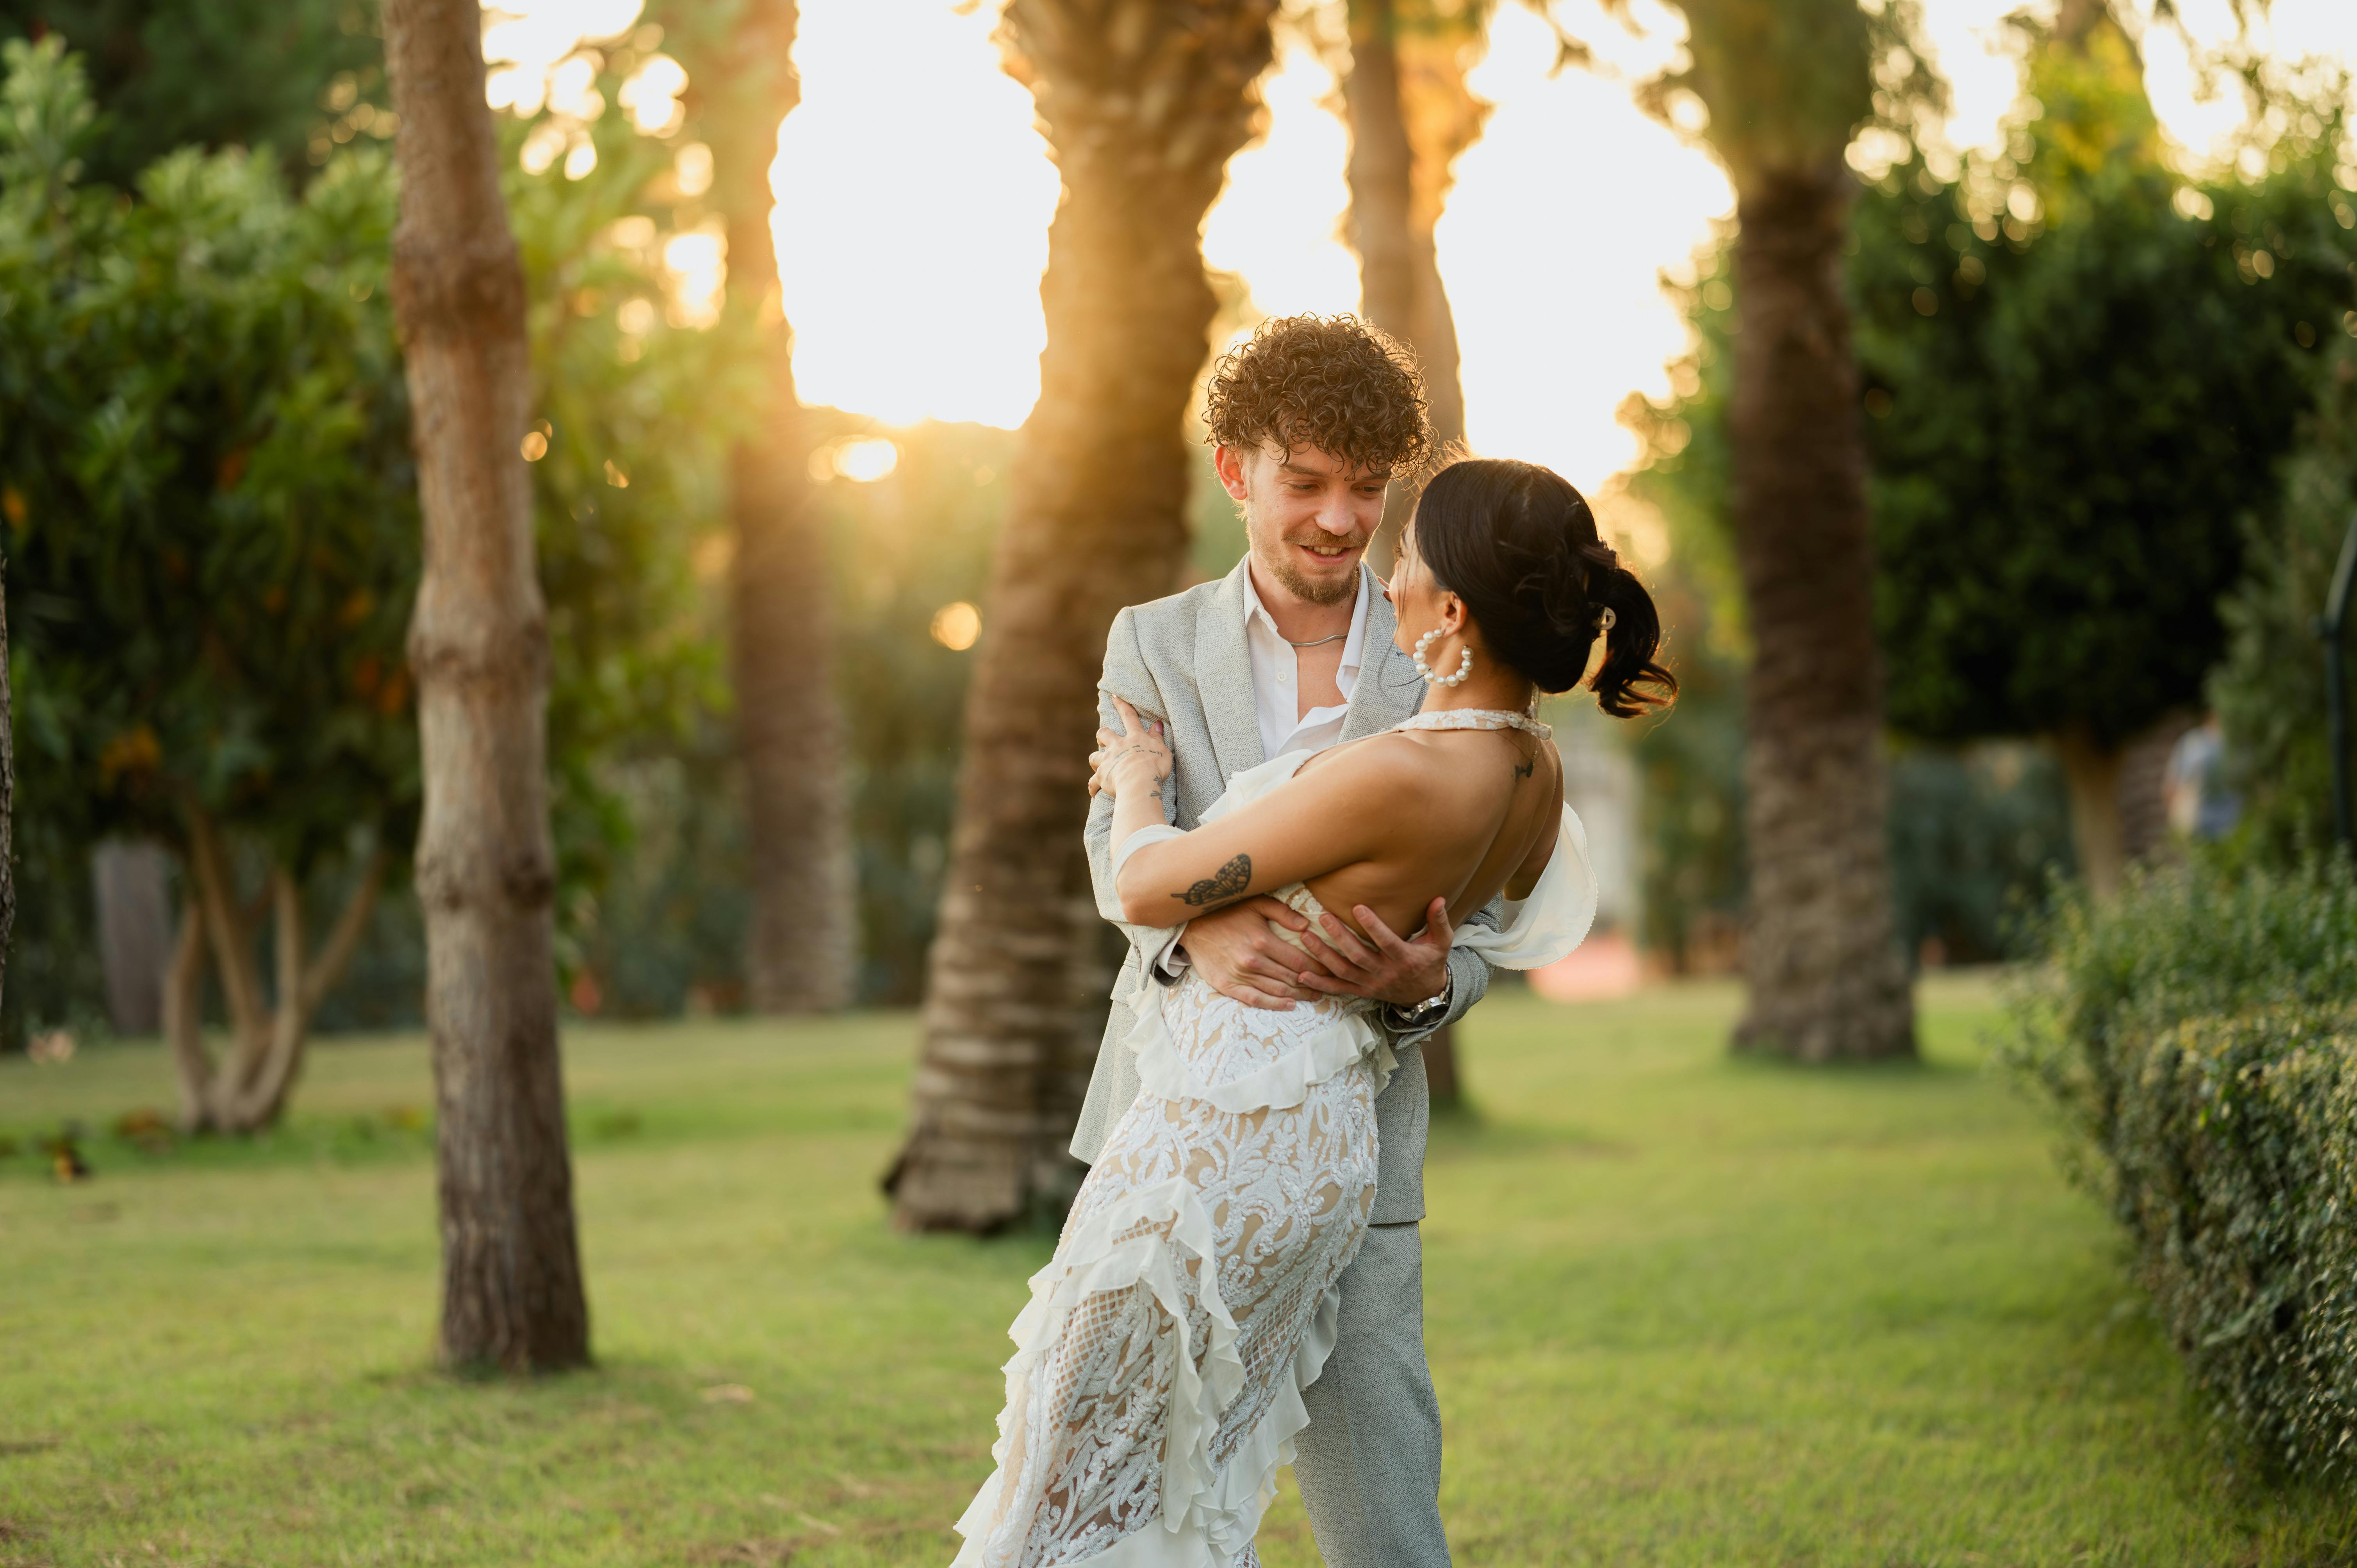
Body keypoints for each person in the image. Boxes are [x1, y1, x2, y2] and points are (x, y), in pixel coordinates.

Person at [947, 450, 1676, 1567]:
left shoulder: (1396, 768)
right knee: (1184, 1492)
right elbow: (1460, 905)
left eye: (1405, 550)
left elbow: (1146, 878)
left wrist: (1135, 777)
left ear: (1454, 611)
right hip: (1312, 1140)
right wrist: (1211, 918)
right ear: (1244, 471)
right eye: (1309, 482)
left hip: (1218, 1144)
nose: (1383, 576)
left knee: (1071, 1490)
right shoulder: (1535, 774)